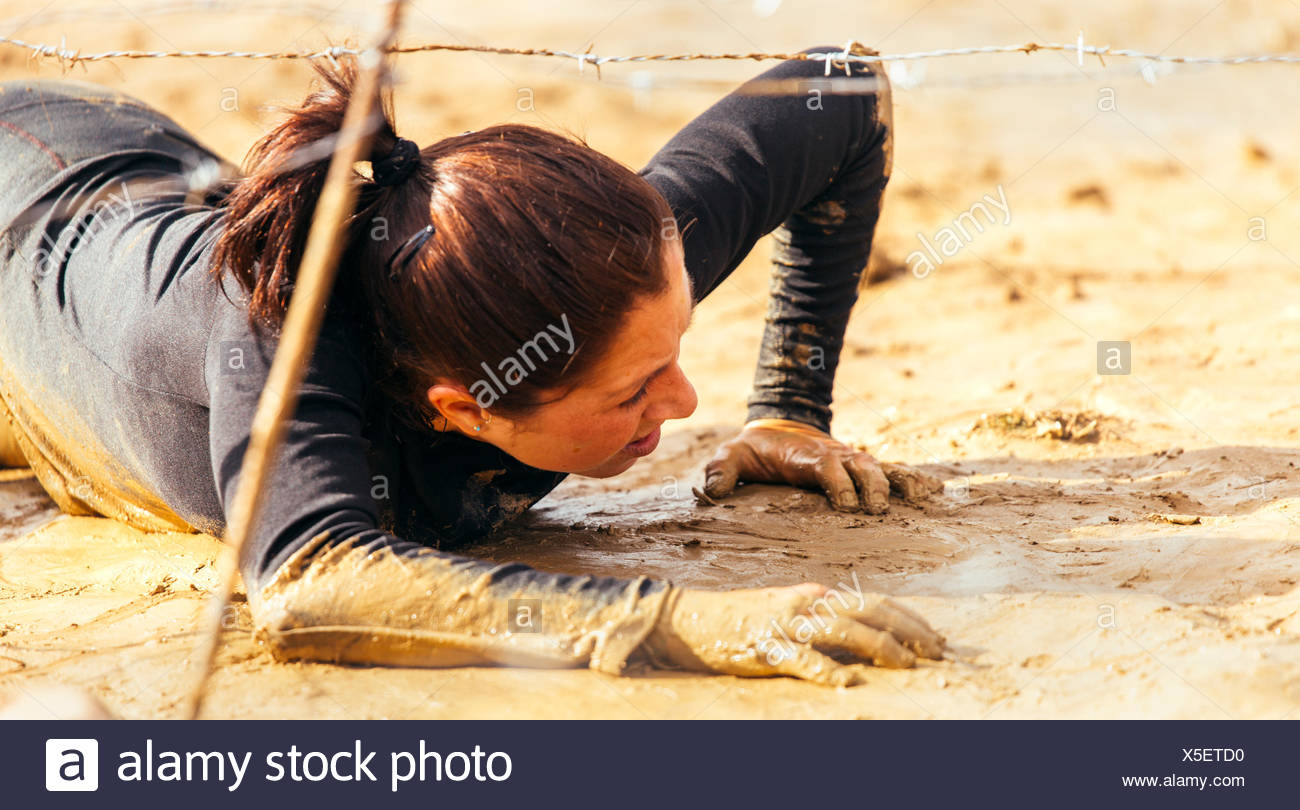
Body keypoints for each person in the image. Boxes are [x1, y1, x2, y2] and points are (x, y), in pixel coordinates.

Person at [0, 45, 945, 686]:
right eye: (634, 391)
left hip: (159, 169)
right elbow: (311, 584)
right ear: (463, 408)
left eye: (678, 347)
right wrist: (675, 622)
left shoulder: (612, 272)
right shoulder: (275, 339)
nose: (687, 399)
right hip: (27, 208)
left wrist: (789, 404)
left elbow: (844, 89)